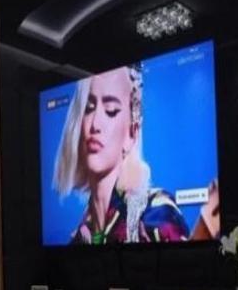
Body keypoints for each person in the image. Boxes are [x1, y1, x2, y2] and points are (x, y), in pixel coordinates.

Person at [53, 65, 191, 244]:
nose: (95, 124)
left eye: (111, 110)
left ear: (132, 133)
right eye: (88, 108)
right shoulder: (80, 235)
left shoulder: (156, 212)